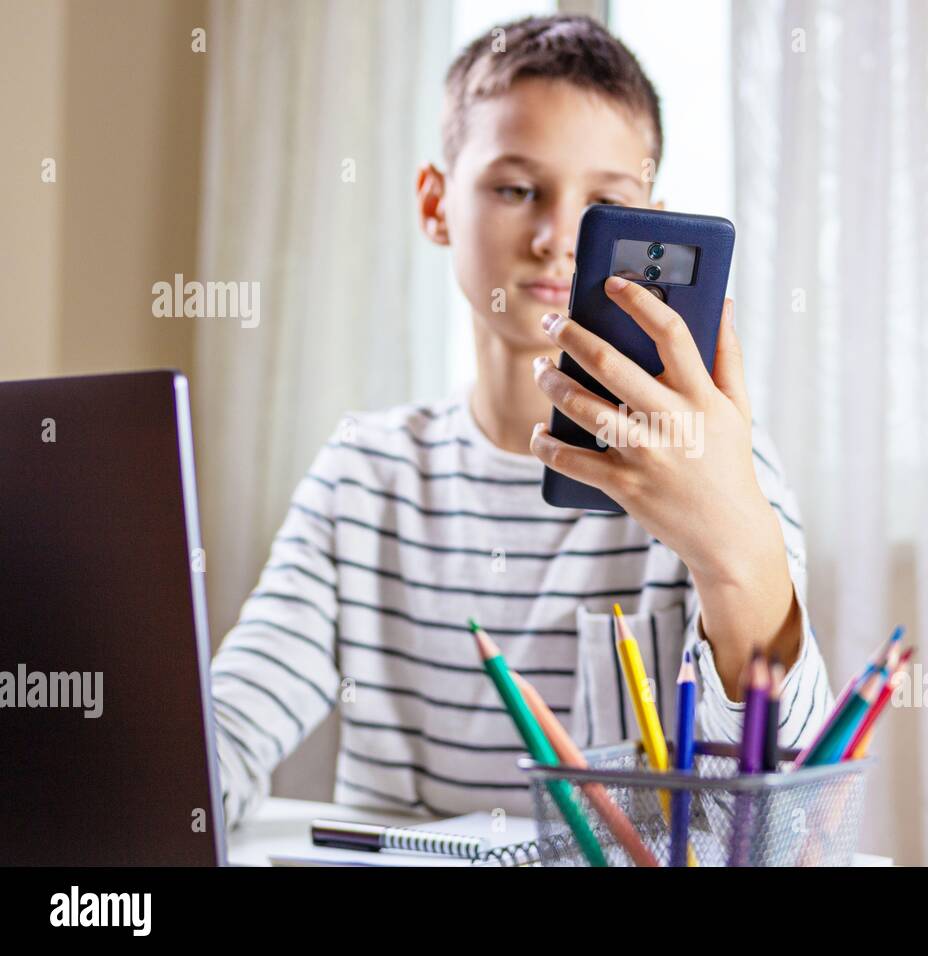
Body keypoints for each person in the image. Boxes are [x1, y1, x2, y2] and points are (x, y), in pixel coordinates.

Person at [211, 13, 833, 826]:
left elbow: (780, 819)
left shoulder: (714, 469)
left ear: (649, 226)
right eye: (515, 189)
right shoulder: (365, 473)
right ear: (436, 204)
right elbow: (225, 730)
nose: (555, 240)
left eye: (604, 206)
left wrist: (737, 557)